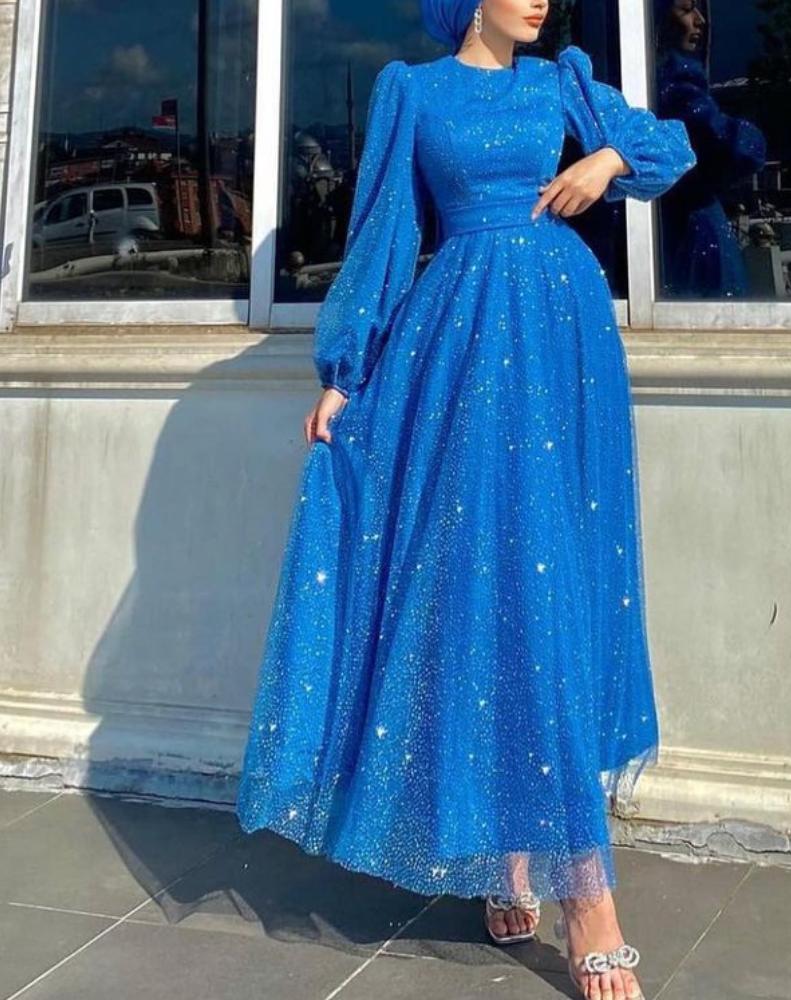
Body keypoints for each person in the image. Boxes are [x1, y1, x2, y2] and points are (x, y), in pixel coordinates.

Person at [235, 2, 696, 998]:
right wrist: (345, 372)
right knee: (487, 588)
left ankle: (580, 895)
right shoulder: (413, 91)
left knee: (554, 587)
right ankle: (518, 860)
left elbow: (670, 147)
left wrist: (607, 160)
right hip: (461, 345)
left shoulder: (562, 81)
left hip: (563, 337)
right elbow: (385, 234)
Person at [654, 0, 766, 297]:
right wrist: (753, 136)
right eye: (686, 9)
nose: (700, 20)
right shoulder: (675, 84)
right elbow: (731, 147)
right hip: (693, 234)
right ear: (658, 19)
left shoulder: (660, 82)